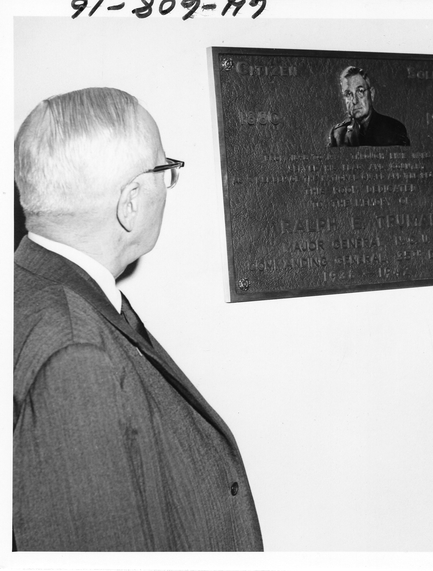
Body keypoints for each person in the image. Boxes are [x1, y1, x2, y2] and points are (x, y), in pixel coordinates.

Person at [13, 88, 263, 551]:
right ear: (129, 202)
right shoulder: (74, 354)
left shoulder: (33, 287)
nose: (167, 187)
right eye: (163, 171)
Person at [329, 66, 410, 147]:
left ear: (371, 94)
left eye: (360, 91)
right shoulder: (338, 133)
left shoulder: (394, 129)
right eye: (348, 94)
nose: (354, 101)